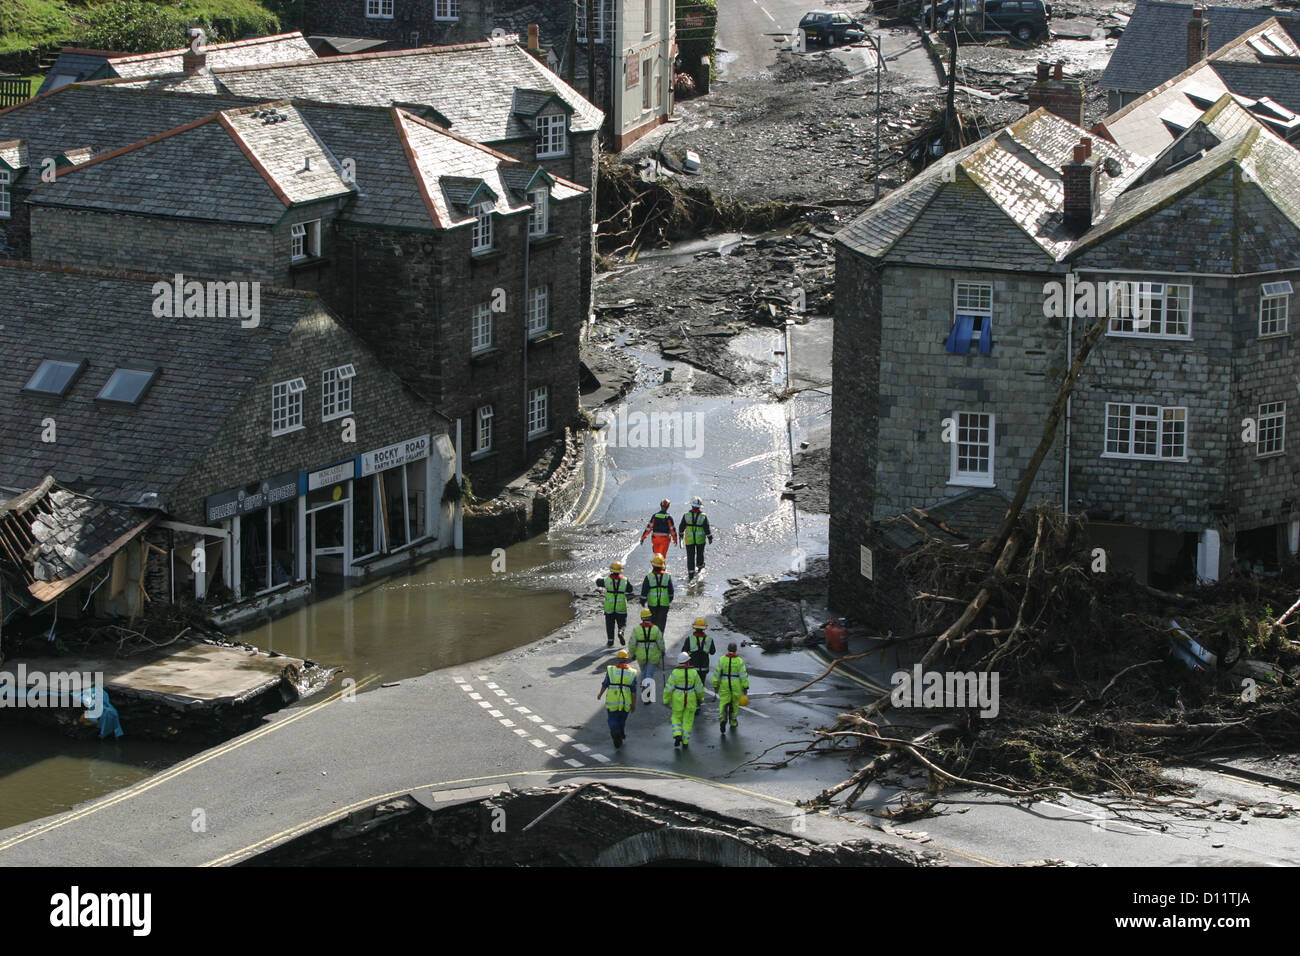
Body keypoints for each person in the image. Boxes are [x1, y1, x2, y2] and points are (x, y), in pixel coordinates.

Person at [596, 650, 637, 748]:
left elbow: (605, 684)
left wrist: (600, 694)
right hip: (625, 702)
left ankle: (615, 732)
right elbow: (633, 691)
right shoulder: (632, 673)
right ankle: (620, 736)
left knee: (612, 719)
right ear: (627, 660)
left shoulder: (611, 670)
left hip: (613, 700)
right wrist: (633, 704)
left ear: (618, 659)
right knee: (622, 720)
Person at [664, 651, 705, 749]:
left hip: (677, 699)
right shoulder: (694, 672)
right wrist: (701, 698)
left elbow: (668, 688)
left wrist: (666, 700)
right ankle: (685, 742)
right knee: (688, 720)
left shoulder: (675, 673)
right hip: (690, 699)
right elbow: (699, 688)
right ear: (688, 662)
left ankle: (677, 733)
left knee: (676, 718)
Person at [712, 642, 750, 735]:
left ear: (728, 649)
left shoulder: (722, 660)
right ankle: (733, 722)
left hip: (724, 684)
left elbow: (716, 673)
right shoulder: (739, 661)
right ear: (736, 649)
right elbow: (743, 675)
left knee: (723, 702)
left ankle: (722, 719)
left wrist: (715, 685)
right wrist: (745, 687)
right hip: (736, 685)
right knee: (735, 704)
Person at [630, 608, 666, 695]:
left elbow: (632, 644)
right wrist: (663, 651)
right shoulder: (656, 629)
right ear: (650, 617)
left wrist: (632, 654)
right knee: (649, 674)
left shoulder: (637, 630)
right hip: (653, 656)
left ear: (641, 618)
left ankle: (644, 688)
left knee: (643, 673)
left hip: (641, 656)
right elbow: (660, 642)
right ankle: (647, 691)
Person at [595, 560, 631, 647]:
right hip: (621, 606)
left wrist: (598, 575)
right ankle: (620, 632)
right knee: (622, 623)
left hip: (609, 607)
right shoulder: (625, 580)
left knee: (610, 624)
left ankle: (610, 641)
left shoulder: (606, 580)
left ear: (611, 570)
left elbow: (598, 582)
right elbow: (630, 589)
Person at [679, 497, 713, 582]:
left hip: (689, 540)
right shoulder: (703, 516)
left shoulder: (686, 515)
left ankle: (691, 574)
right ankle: (700, 567)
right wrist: (710, 538)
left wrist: (680, 535)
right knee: (700, 554)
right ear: (700, 506)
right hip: (700, 540)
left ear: (692, 505)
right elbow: (707, 528)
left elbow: (681, 527)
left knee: (690, 556)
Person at [640, 554, 674, 633]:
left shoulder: (648, 577)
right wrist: (670, 599)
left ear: (653, 565)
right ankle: (660, 636)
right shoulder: (667, 576)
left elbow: (644, 591)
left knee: (653, 620)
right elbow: (671, 591)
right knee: (662, 621)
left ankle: (653, 635)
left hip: (652, 604)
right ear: (662, 565)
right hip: (664, 604)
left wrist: (642, 601)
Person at [683, 618, 715, 687]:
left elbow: (684, 652)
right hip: (704, 668)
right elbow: (712, 652)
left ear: (695, 628)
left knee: (692, 686)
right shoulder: (709, 639)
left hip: (692, 667)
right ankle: (700, 697)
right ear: (704, 628)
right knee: (701, 687)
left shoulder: (689, 639)